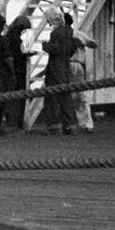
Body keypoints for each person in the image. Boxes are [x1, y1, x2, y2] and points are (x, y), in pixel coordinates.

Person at [39, 7, 78, 135]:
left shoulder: (55, 33)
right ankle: (70, 124)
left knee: (51, 97)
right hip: (65, 66)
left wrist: (45, 46)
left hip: (55, 68)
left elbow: (55, 49)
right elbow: (72, 49)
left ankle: (54, 126)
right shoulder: (69, 31)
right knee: (66, 97)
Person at [67, 14, 97, 134]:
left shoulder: (73, 34)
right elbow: (94, 44)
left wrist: (81, 42)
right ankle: (86, 124)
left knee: (74, 96)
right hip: (78, 64)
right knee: (80, 96)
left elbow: (93, 44)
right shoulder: (78, 33)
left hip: (70, 64)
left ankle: (81, 123)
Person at [5, 13, 33, 131]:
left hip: (13, 71)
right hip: (18, 70)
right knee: (19, 96)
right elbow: (17, 53)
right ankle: (17, 122)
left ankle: (13, 122)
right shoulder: (15, 38)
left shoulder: (9, 37)